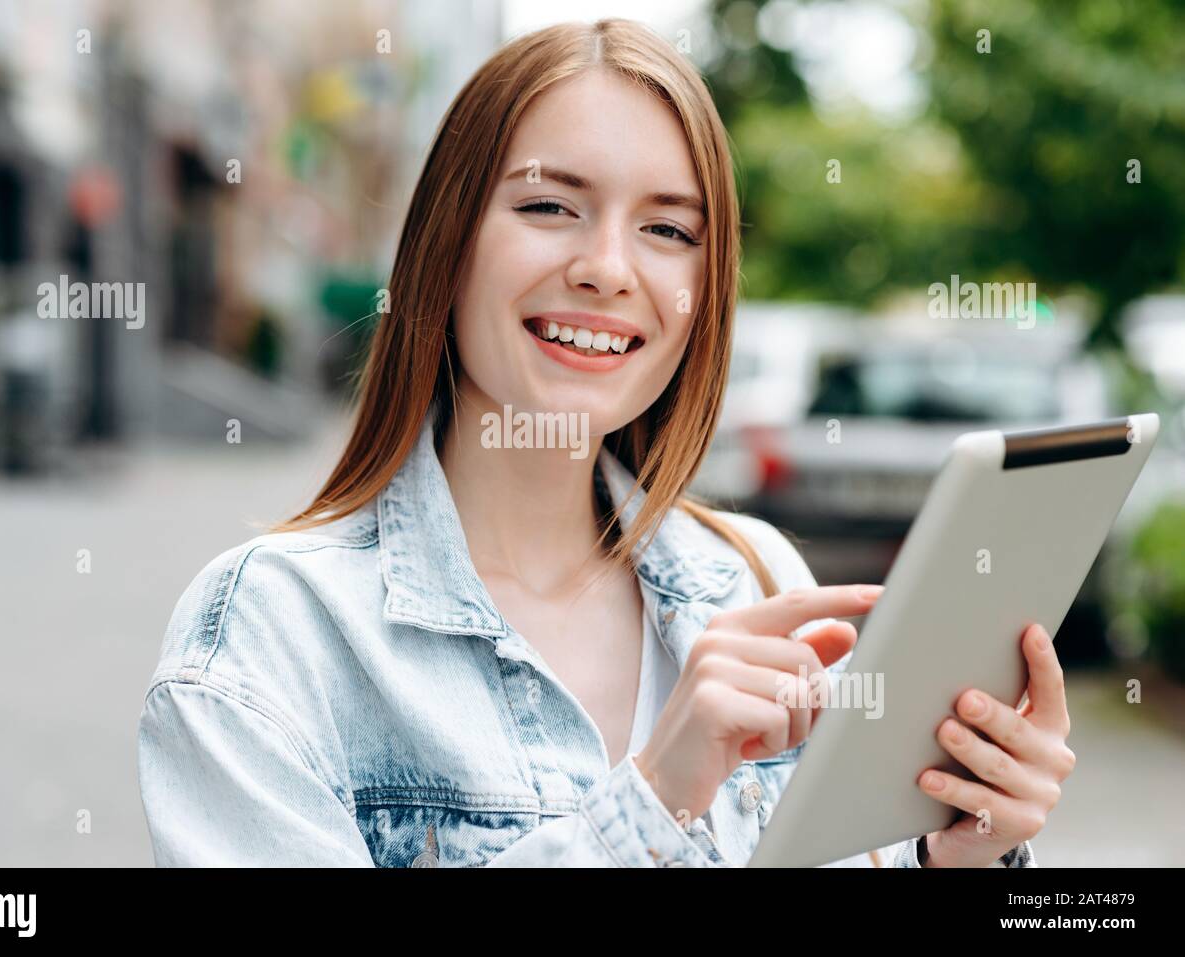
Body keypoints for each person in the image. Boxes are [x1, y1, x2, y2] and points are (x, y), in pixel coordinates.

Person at [136, 18, 1073, 867]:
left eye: (667, 229)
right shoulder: (272, 633)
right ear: (447, 243)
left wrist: (955, 857)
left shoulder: (759, 582)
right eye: (549, 207)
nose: (606, 269)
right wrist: (650, 805)